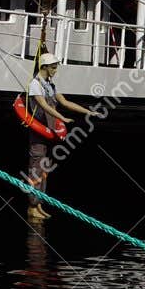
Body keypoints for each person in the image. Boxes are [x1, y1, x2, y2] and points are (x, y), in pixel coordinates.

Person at [25, 52, 92, 223]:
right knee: (36, 167)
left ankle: (39, 204)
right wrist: (62, 118)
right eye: (53, 67)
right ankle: (32, 207)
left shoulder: (49, 85)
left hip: (47, 133)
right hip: (38, 134)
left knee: (44, 170)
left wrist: (88, 112)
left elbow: (65, 102)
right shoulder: (35, 85)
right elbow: (43, 105)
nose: (56, 70)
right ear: (45, 67)